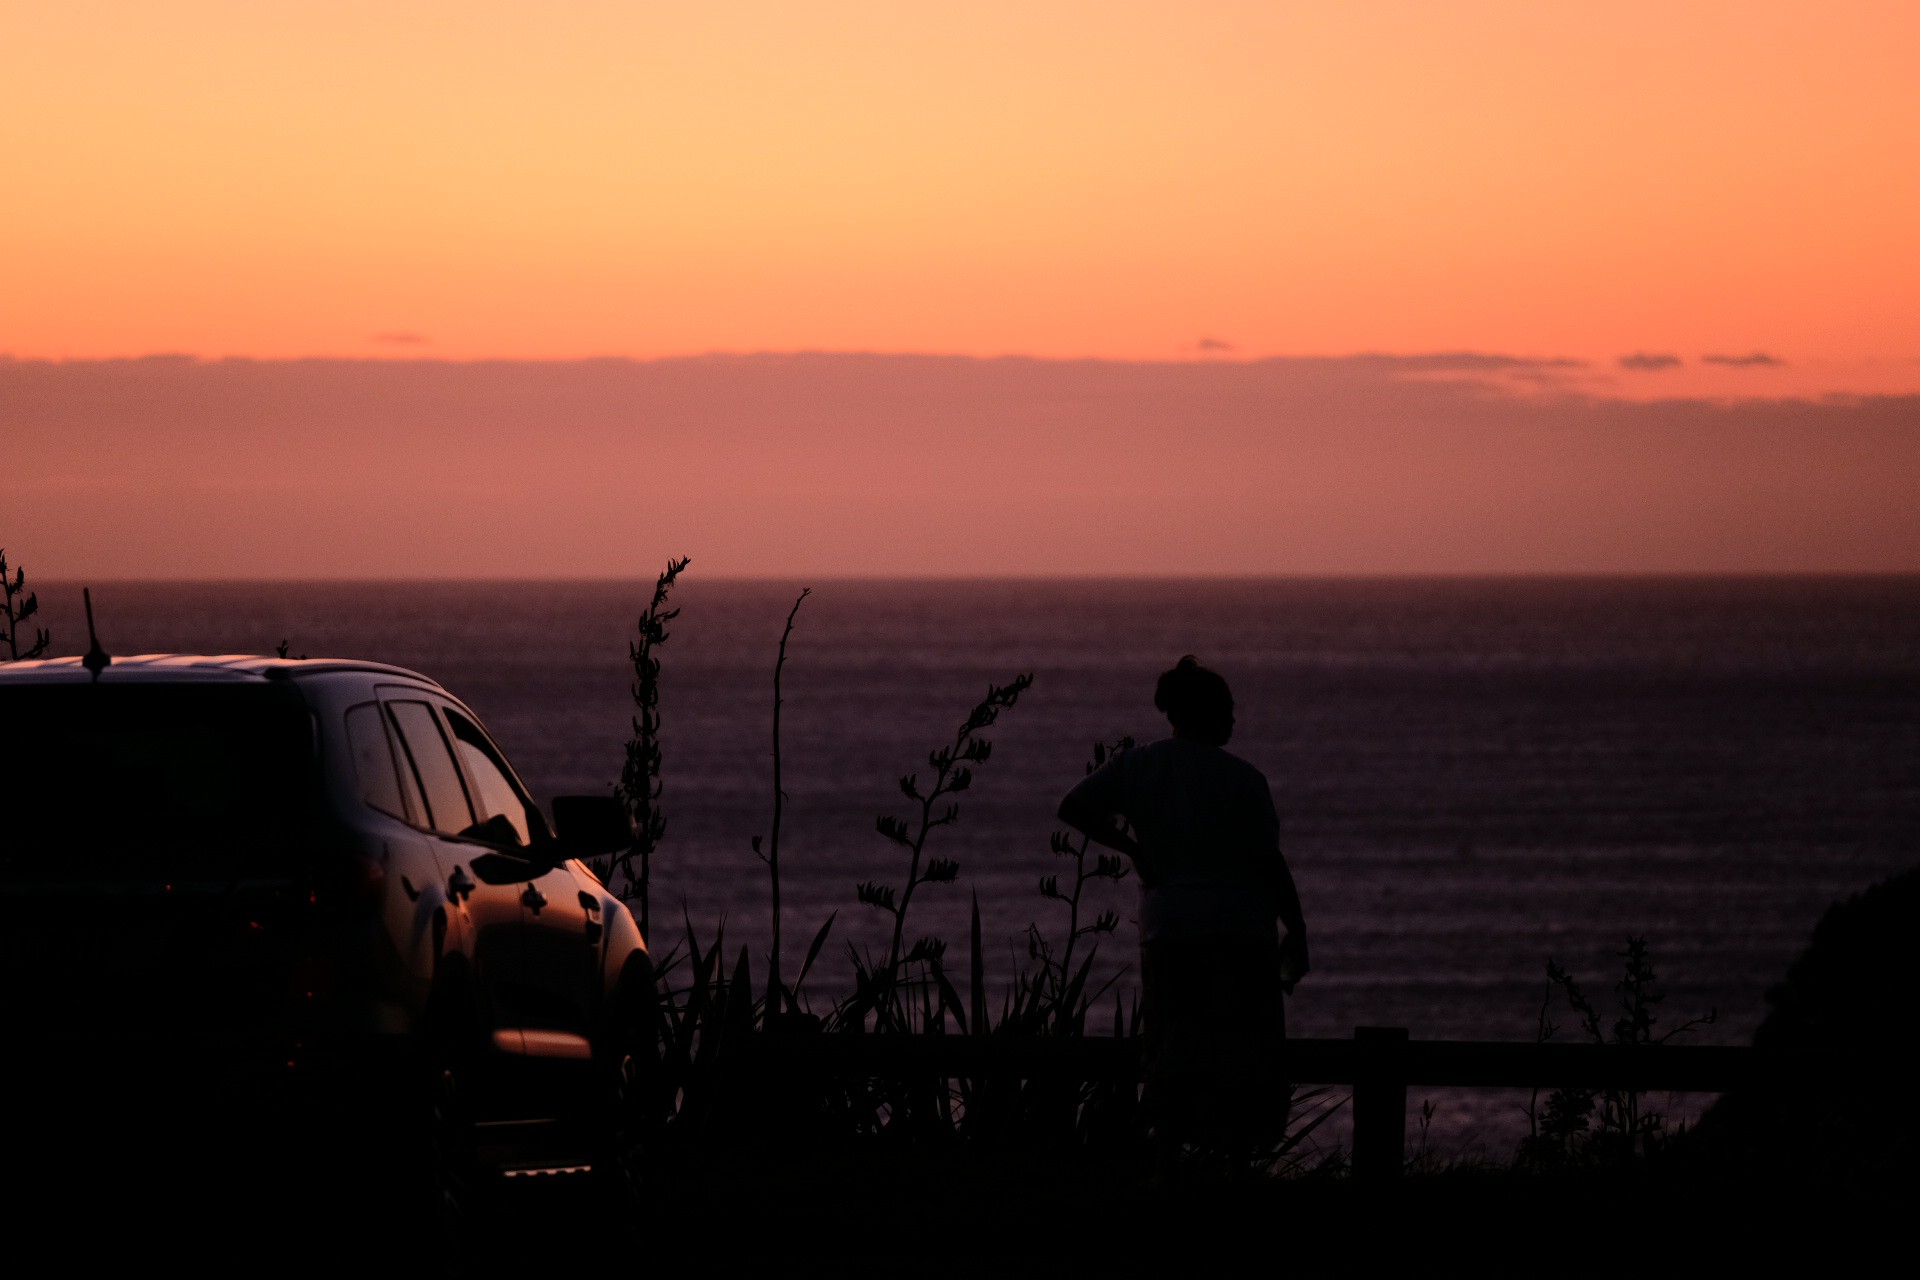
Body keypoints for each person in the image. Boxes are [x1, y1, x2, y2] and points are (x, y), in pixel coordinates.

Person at [1057, 655, 1308, 1165]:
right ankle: (1234, 1163)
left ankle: (1168, 1160)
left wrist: (1132, 849)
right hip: (1241, 930)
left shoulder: (1137, 766)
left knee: (1173, 1047)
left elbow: (1074, 807)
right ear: (1210, 712)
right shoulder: (1243, 778)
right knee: (1242, 1054)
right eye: (1229, 710)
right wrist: (1296, 926)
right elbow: (1267, 860)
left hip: (1169, 928)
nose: (1235, 721)